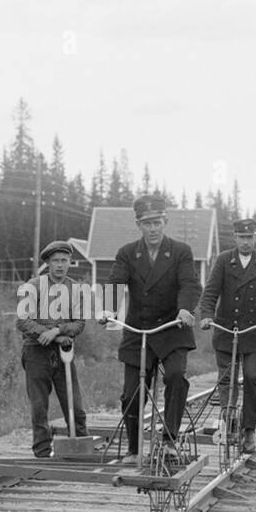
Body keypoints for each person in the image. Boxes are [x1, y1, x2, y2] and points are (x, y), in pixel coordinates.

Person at [102, 194, 201, 465]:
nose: (153, 228)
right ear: (138, 224)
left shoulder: (180, 251)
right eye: (147, 223)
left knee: (177, 377)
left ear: (165, 221)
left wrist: (185, 310)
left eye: (157, 222)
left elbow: (190, 284)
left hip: (173, 327)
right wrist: (109, 309)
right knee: (131, 392)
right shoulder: (127, 253)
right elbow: (115, 282)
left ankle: (169, 440)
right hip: (139, 329)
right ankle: (134, 449)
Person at [198, 217, 256, 454]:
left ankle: (249, 430)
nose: (245, 242)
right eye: (241, 238)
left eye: (250, 238)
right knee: (227, 380)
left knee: (252, 377)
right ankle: (229, 424)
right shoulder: (224, 260)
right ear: (235, 238)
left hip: (254, 332)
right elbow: (211, 290)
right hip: (225, 331)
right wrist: (206, 315)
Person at [17, 240, 89, 458]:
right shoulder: (33, 286)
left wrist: (56, 331)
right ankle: (42, 451)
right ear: (48, 263)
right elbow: (22, 321)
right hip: (35, 353)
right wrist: (46, 334)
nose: (60, 265)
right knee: (39, 407)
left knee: (74, 405)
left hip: (64, 353)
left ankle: (80, 448)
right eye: (56, 261)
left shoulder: (74, 289)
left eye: (64, 261)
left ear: (69, 263)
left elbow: (79, 323)